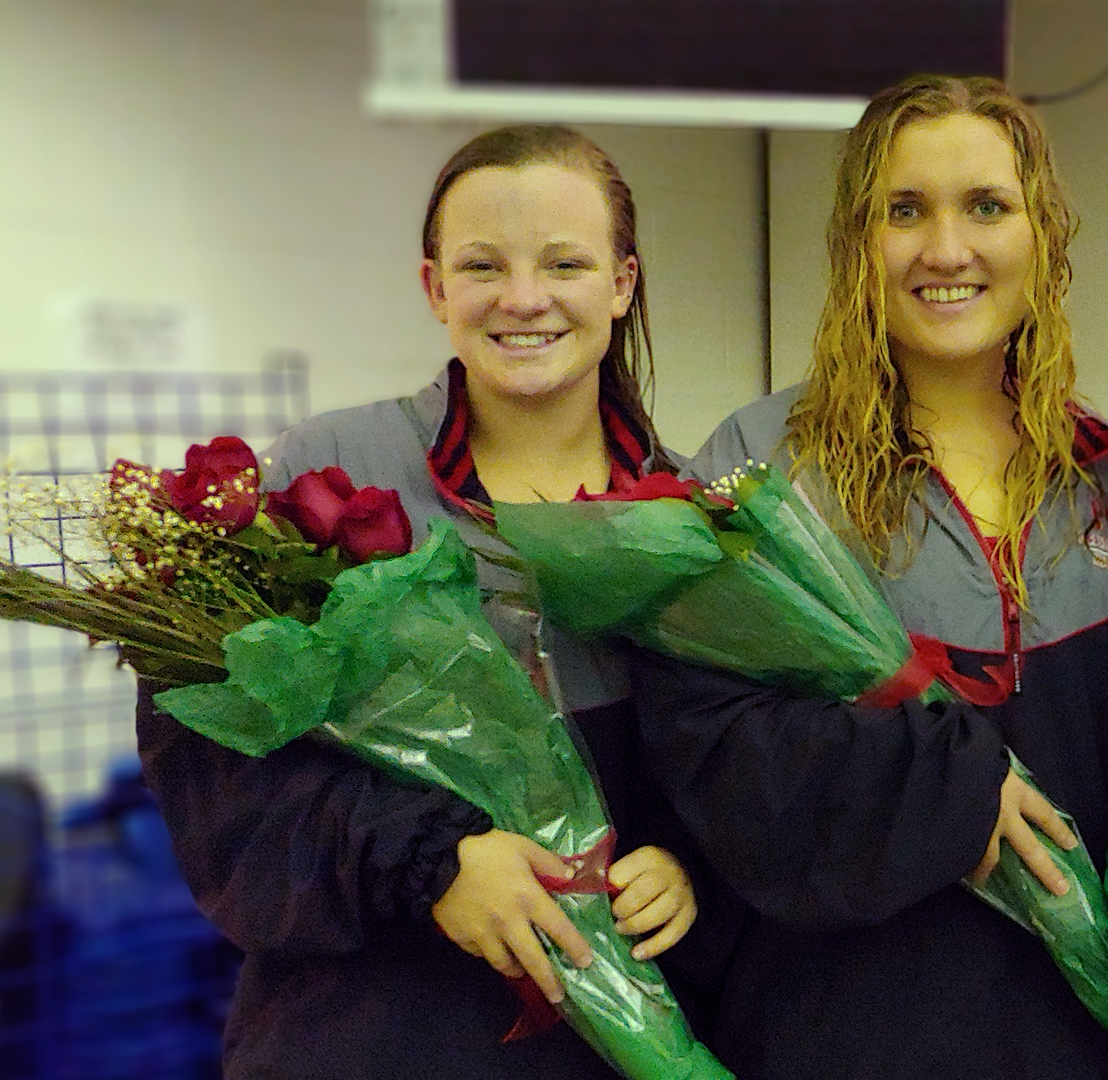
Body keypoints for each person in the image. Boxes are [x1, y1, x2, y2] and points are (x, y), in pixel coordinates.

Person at [135, 125, 711, 1080]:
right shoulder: (323, 485)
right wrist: (431, 862)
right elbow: (211, 766)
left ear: (623, 282)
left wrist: (691, 868)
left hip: (617, 1048)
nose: (524, 299)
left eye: (564, 263)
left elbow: (739, 771)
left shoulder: (695, 523)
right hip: (363, 1043)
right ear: (435, 287)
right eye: (483, 265)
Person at [629, 76, 1108, 1079]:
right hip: (839, 1027)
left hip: (1076, 1033)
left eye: (986, 208)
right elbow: (701, 741)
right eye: (903, 210)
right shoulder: (761, 468)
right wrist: (947, 790)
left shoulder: (1106, 472)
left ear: (1041, 235)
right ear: (854, 243)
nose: (945, 249)